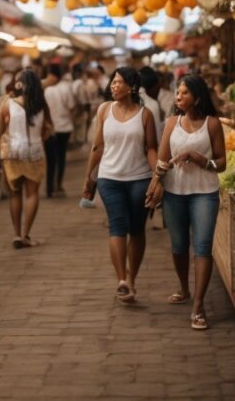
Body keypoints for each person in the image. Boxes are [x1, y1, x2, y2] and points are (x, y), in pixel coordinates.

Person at [150, 74, 226, 330]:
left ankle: (199, 306)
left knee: (202, 247)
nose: (178, 97)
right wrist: (155, 182)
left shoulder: (213, 124)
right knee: (179, 245)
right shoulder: (171, 123)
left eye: (184, 93)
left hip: (205, 193)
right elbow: (162, 160)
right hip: (174, 192)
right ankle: (184, 288)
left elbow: (221, 163)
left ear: (197, 96)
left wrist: (199, 158)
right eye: (177, 93)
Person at [81, 68, 159, 303]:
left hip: (139, 178)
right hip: (109, 178)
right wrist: (89, 178)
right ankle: (122, 280)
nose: (113, 86)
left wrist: (157, 177)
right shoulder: (104, 110)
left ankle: (132, 279)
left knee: (136, 229)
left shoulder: (145, 115)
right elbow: (97, 146)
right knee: (117, 225)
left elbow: (151, 148)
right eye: (113, 82)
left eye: (119, 82)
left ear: (132, 87)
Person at [0, 68, 52, 249]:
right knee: (32, 194)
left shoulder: (6, 104)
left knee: (15, 194)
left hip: (12, 153)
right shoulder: (42, 105)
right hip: (34, 152)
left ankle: (17, 234)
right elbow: (47, 130)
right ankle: (26, 234)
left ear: (20, 84)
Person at [43, 63, 76, 198]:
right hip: (64, 127)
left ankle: (49, 187)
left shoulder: (45, 89)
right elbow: (71, 106)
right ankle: (59, 184)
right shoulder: (65, 88)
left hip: (49, 129)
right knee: (61, 157)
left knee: (50, 159)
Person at [138, 66, 165, 142]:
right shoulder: (152, 104)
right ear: (154, 86)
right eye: (158, 87)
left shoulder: (128, 99)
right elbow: (157, 137)